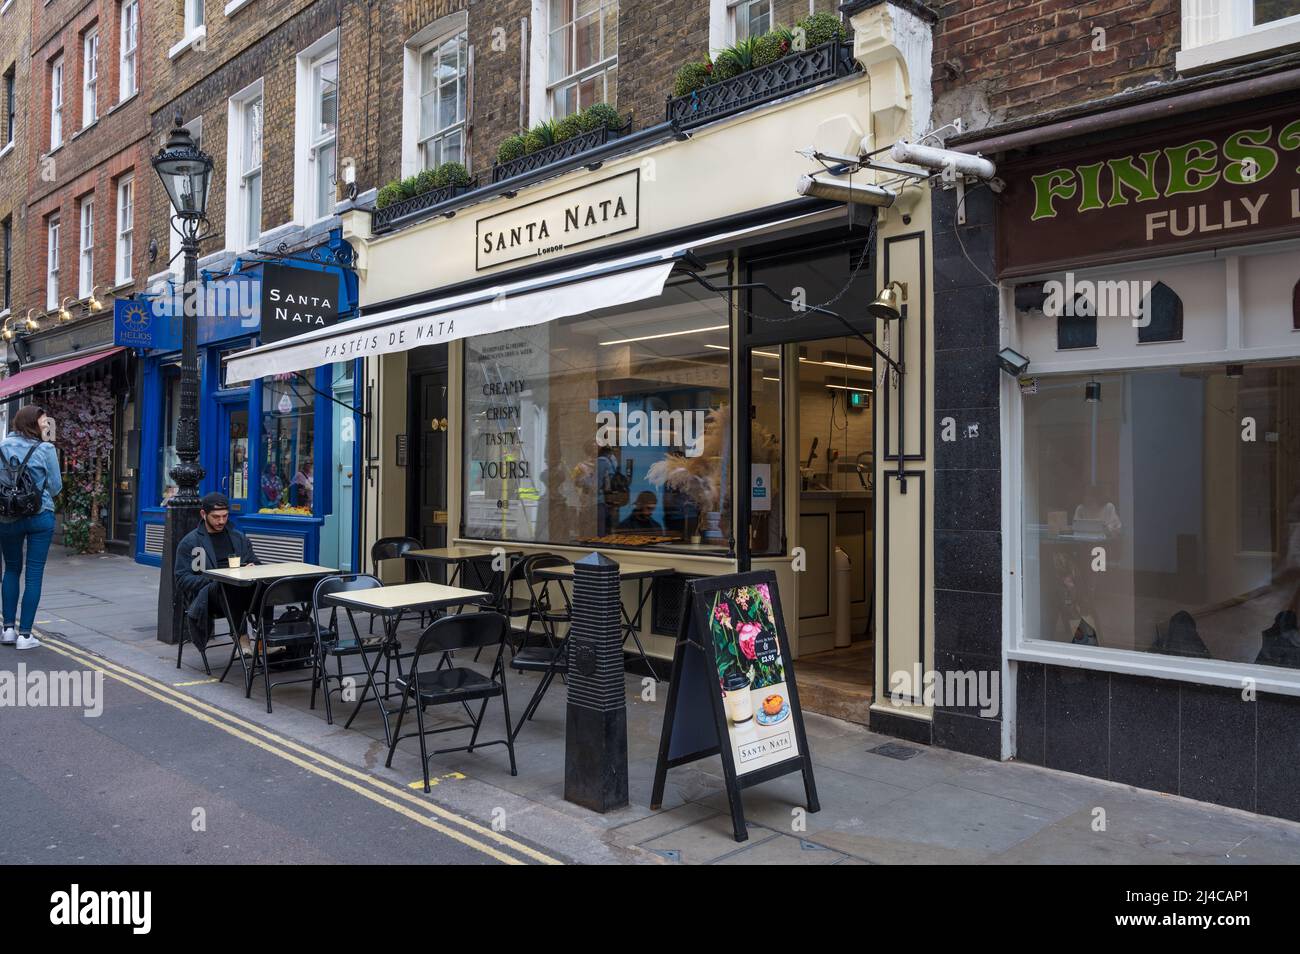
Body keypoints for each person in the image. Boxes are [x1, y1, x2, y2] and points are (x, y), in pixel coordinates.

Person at [0, 405, 63, 650]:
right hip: (40, 516)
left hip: (7, 517)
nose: (47, 426)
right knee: (34, 574)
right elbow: (56, 486)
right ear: (32, 424)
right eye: (44, 422)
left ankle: (7, 630)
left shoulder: (2, 446)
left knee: (11, 570)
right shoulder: (45, 449)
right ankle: (25, 635)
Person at [174, 491, 260, 655]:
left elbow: (255, 562)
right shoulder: (191, 542)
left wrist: (253, 566)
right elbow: (182, 580)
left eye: (225, 516)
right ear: (203, 514)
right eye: (216, 517)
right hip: (208, 597)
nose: (221, 521)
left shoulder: (238, 538)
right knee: (227, 586)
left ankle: (266, 639)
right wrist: (215, 579)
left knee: (265, 586)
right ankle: (242, 638)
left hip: (243, 591)